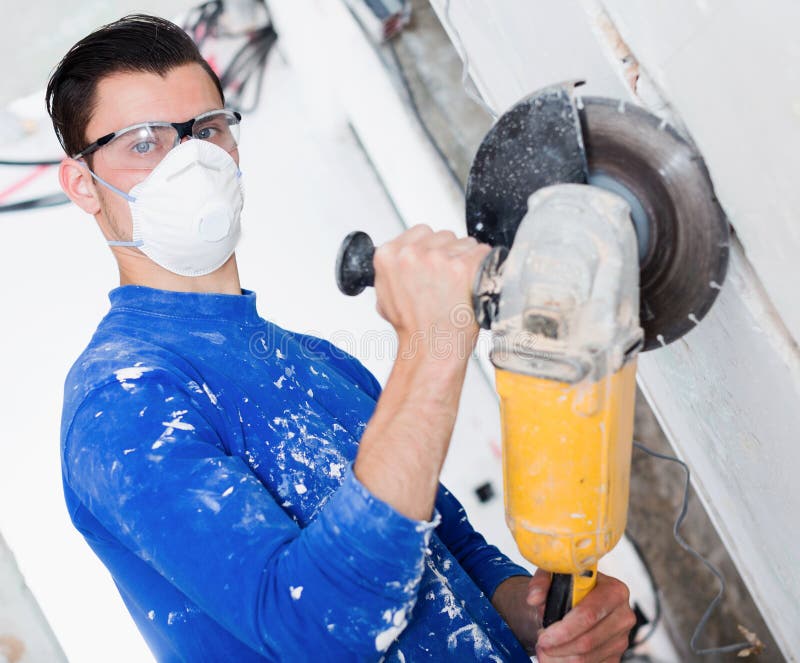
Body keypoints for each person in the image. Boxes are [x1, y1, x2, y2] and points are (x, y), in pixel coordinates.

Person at [49, 13, 635, 663]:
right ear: (82, 183)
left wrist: (533, 613)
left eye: (207, 130)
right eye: (142, 142)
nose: (190, 162)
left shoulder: (318, 359)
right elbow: (316, 631)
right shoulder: (124, 398)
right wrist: (429, 348)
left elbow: (449, 546)